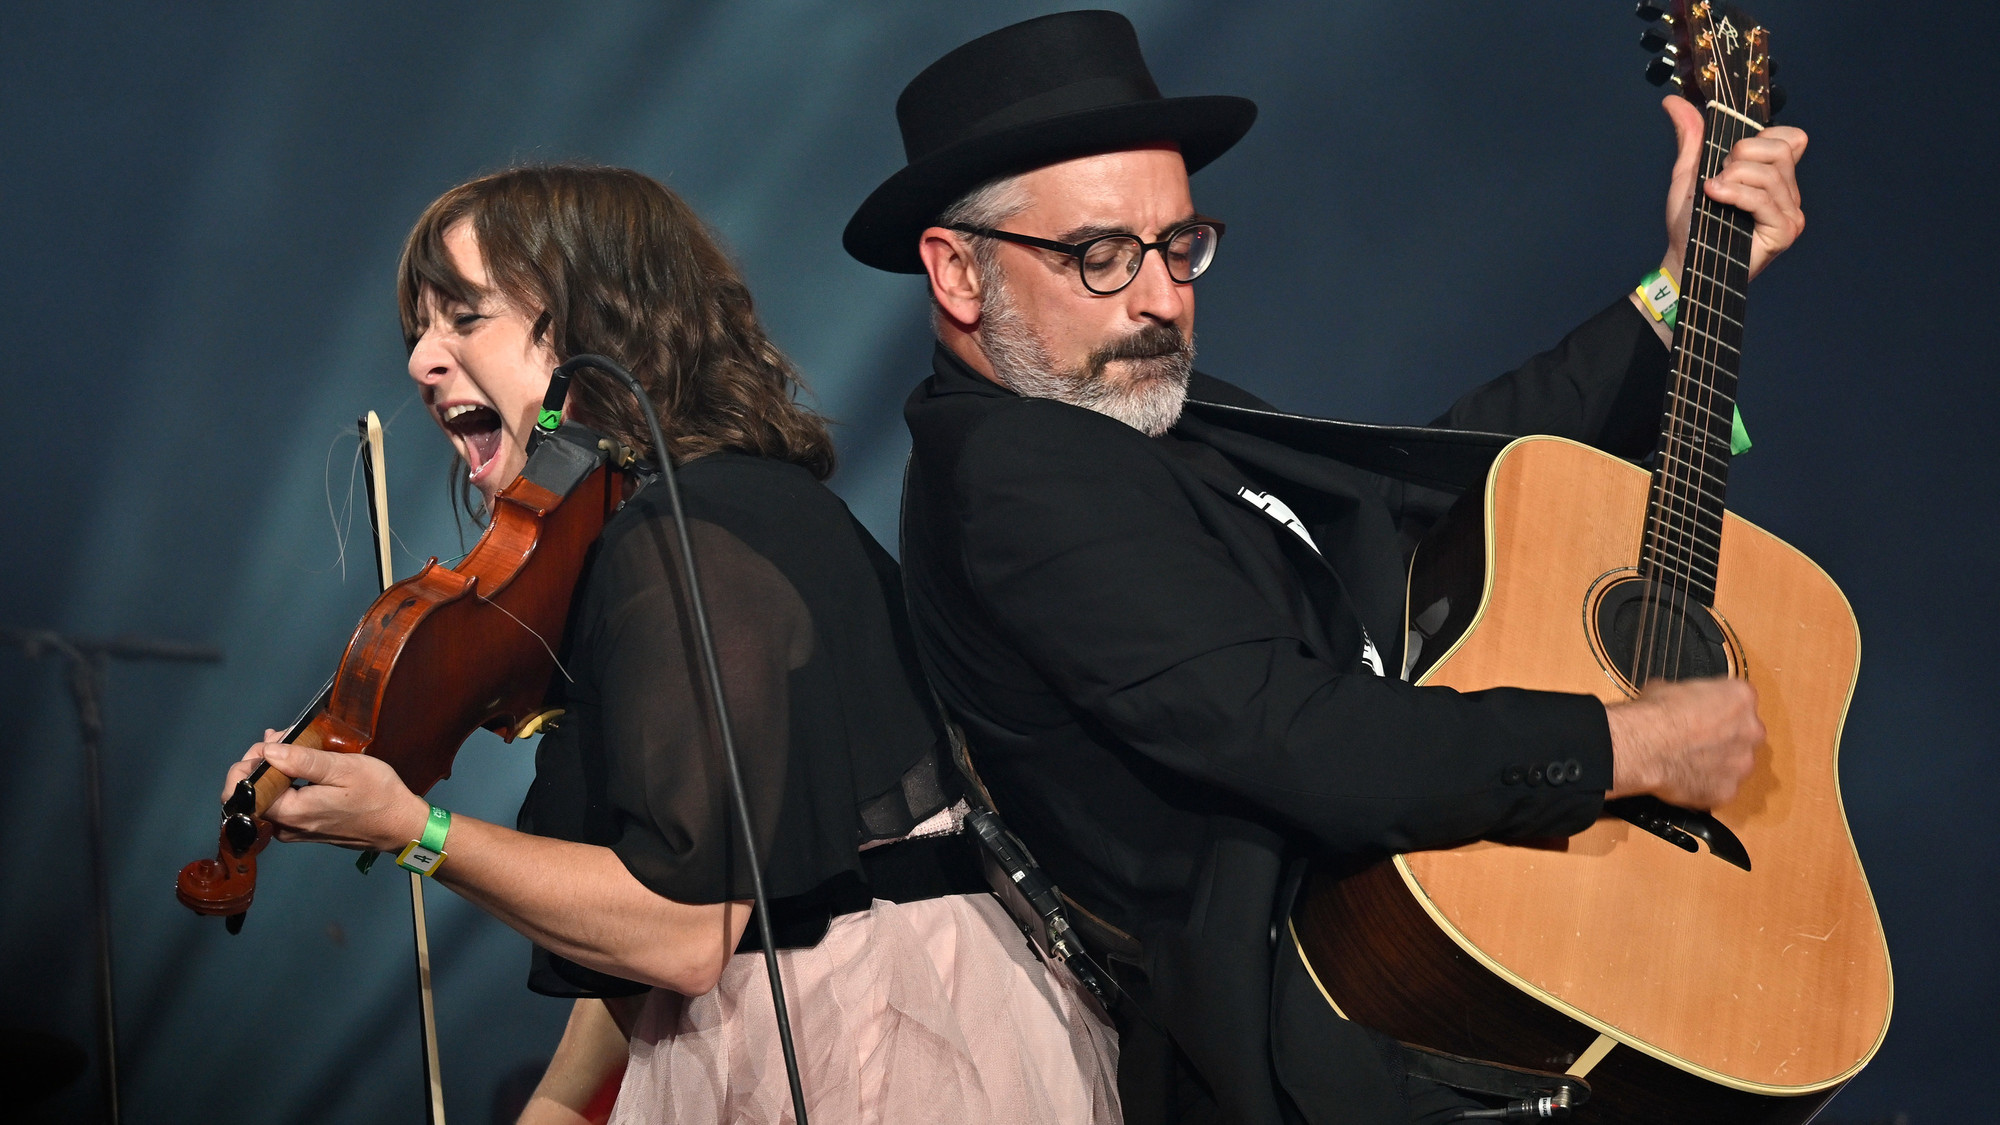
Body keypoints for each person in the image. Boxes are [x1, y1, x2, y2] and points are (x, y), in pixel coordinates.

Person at [846, 11, 1805, 1124]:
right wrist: (1623, 744)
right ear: (957, 272)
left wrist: (1685, 287)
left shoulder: (1111, 402)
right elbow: (1291, 732)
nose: (1160, 298)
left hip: (1438, 974)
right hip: (1344, 1045)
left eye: (1178, 245)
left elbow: (1417, 495)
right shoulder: (1017, 471)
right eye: (1100, 257)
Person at [217, 164, 1118, 1124]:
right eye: (419, 331)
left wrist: (415, 830)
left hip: (868, 1046)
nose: (422, 362)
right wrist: (560, 1104)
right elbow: (674, 893)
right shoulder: (719, 513)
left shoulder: (688, 540)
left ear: (597, 325)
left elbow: (684, 926)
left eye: (465, 319)